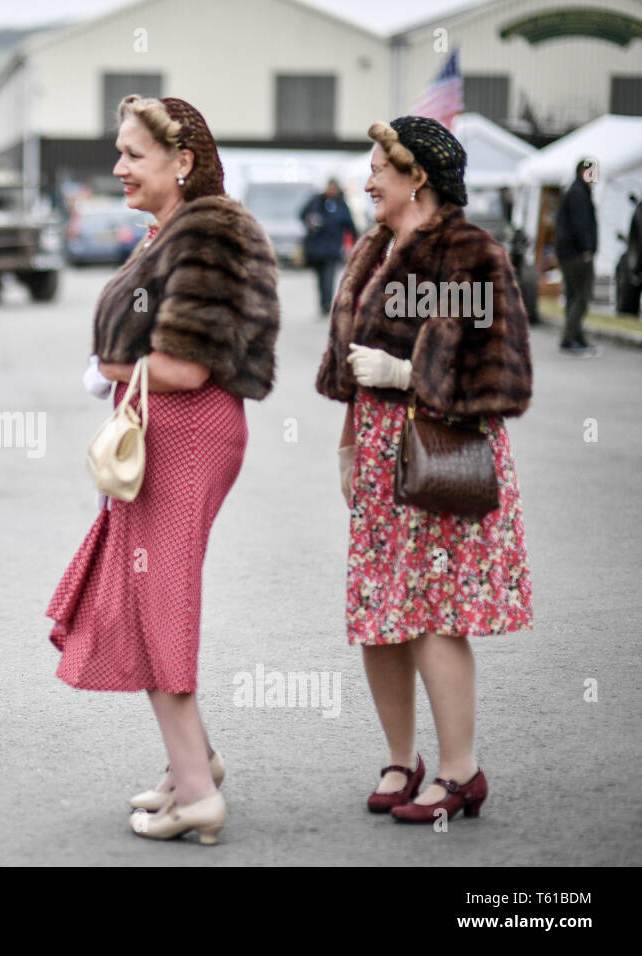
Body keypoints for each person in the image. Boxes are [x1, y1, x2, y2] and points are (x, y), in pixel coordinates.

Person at [47, 95, 279, 845]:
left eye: (133, 155)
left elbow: (182, 365)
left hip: (185, 431)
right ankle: (194, 767)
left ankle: (198, 797)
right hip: (173, 429)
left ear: (182, 162)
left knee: (156, 604)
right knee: (148, 594)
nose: (117, 167)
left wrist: (108, 365)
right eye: (118, 152)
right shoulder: (182, 228)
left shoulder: (207, 230)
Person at [315, 117, 533, 823]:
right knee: (382, 615)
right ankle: (400, 760)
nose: (368, 179)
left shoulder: (468, 252)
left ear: (419, 179)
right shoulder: (378, 248)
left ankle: (460, 771)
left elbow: (500, 371)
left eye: (379, 166)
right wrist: (348, 444)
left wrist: (408, 372)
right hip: (379, 452)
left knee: (436, 613)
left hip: (439, 448)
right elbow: (352, 371)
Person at [555, 158, 599, 356]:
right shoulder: (578, 193)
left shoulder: (576, 191)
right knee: (582, 295)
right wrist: (587, 248)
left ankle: (576, 336)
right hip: (576, 253)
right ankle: (570, 337)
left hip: (569, 252)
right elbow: (580, 224)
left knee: (574, 296)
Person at [299, 178, 357, 316]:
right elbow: (302, 215)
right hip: (316, 247)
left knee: (329, 276)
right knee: (320, 277)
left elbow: (350, 225)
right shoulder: (315, 201)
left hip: (332, 247)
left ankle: (327, 303)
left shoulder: (342, 204)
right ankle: (323, 301)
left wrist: (355, 242)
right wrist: (310, 222)